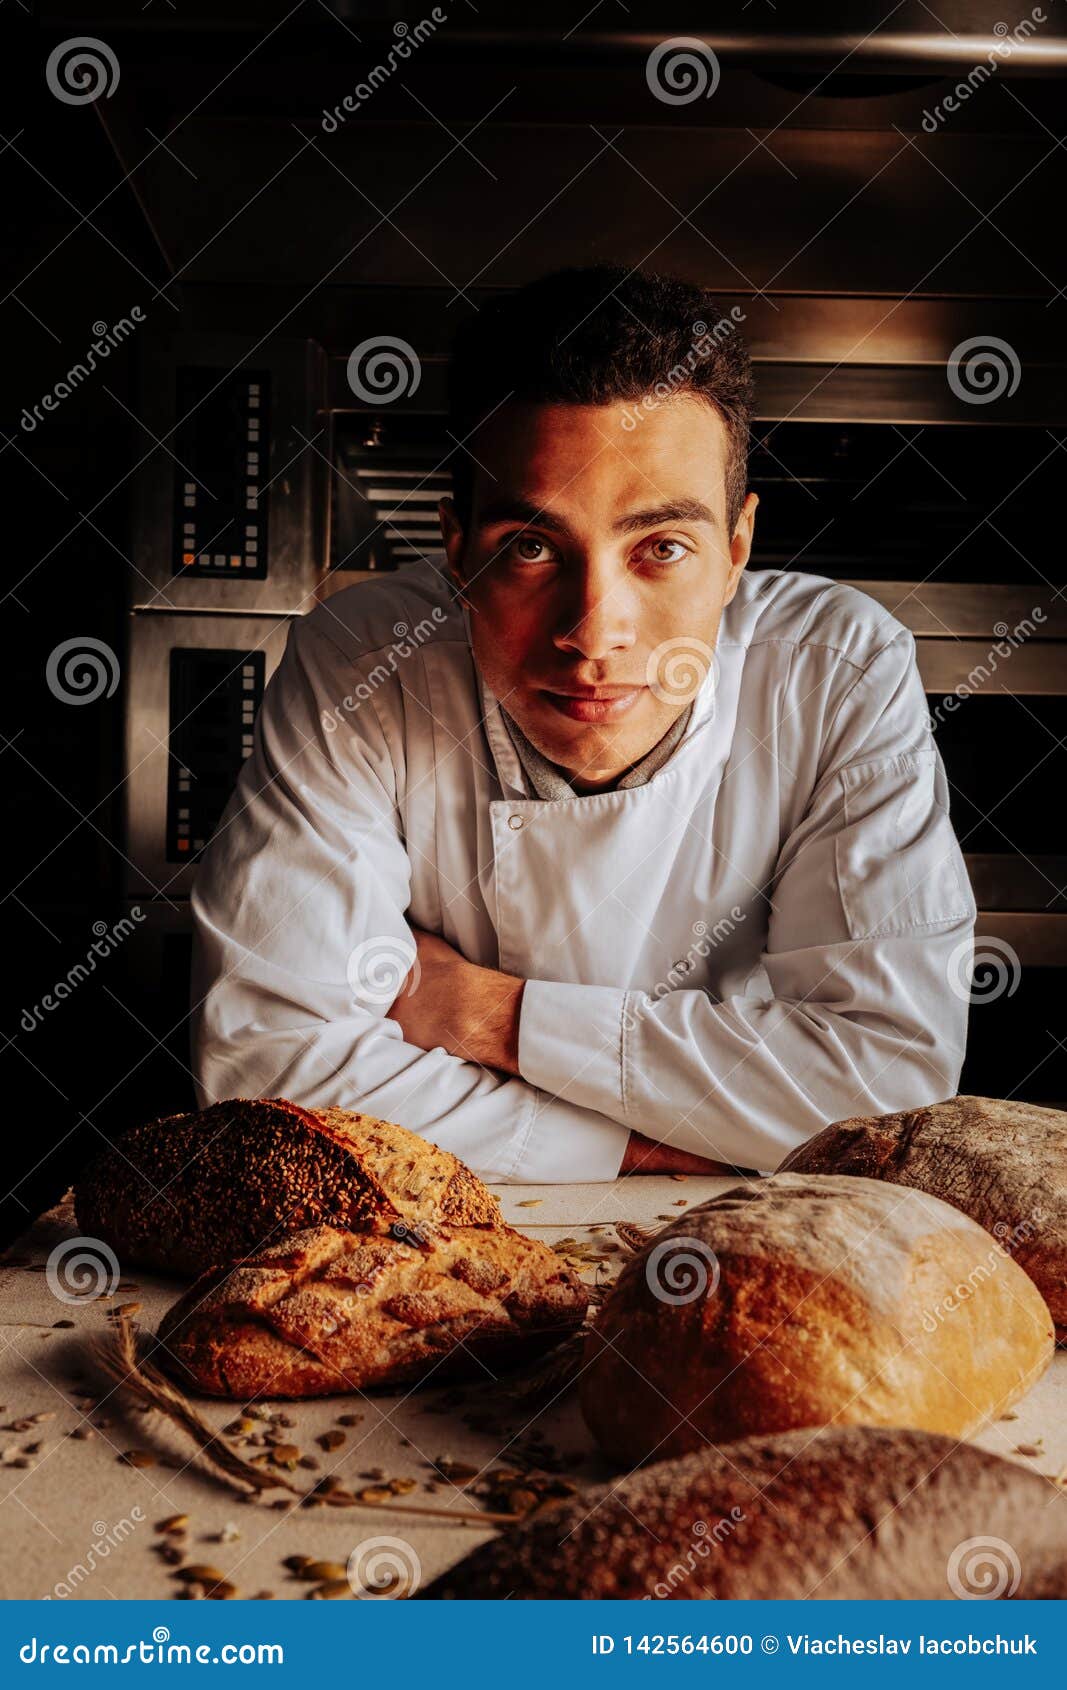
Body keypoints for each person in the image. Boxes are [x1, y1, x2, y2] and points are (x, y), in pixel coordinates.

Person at [191, 265, 976, 1181]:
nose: (591, 632)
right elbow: (267, 1073)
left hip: (753, 1239)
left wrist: (490, 1014)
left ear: (734, 554)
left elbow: (883, 1093)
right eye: (528, 548)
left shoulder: (835, 672)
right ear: (455, 552)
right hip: (441, 1241)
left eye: (661, 549)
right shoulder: (364, 663)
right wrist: (647, 1147)